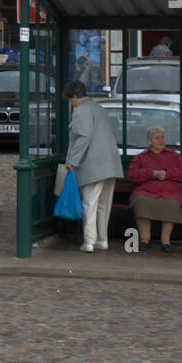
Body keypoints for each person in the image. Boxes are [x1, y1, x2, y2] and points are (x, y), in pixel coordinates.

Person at [64, 80, 123, 252]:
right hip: (110, 163)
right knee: (104, 204)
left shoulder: (81, 111)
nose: (70, 104)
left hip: (94, 164)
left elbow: (84, 136)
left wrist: (72, 161)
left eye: (70, 100)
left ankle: (89, 241)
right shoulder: (99, 109)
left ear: (75, 97)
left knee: (89, 203)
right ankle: (102, 239)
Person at [127, 125, 182, 252]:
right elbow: (133, 175)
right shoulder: (141, 157)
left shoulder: (174, 156)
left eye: (162, 138)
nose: (161, 141)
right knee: (141, 201)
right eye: (157, 138)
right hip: (147, 190)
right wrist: (152, 173)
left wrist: (167, 174)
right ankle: (145, 239)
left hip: (170, 191)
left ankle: (165, 241)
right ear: (150, 141)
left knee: (171, 202)